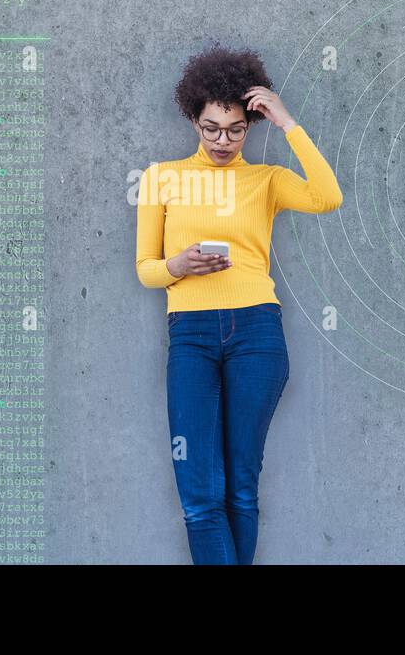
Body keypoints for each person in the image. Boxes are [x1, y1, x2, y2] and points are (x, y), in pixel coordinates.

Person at [134, 42, 344, 564]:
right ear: (193, 119)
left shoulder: (266, 180)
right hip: (191, 336)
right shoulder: (162, 177)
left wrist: (288, 122)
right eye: (211, 128)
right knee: (201, 496)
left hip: (256, 333)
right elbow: (145, 269)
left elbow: (328, 196)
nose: (223, 140)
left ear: (250, 126)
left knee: (241, 489)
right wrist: (176, 267)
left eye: (235, 129)